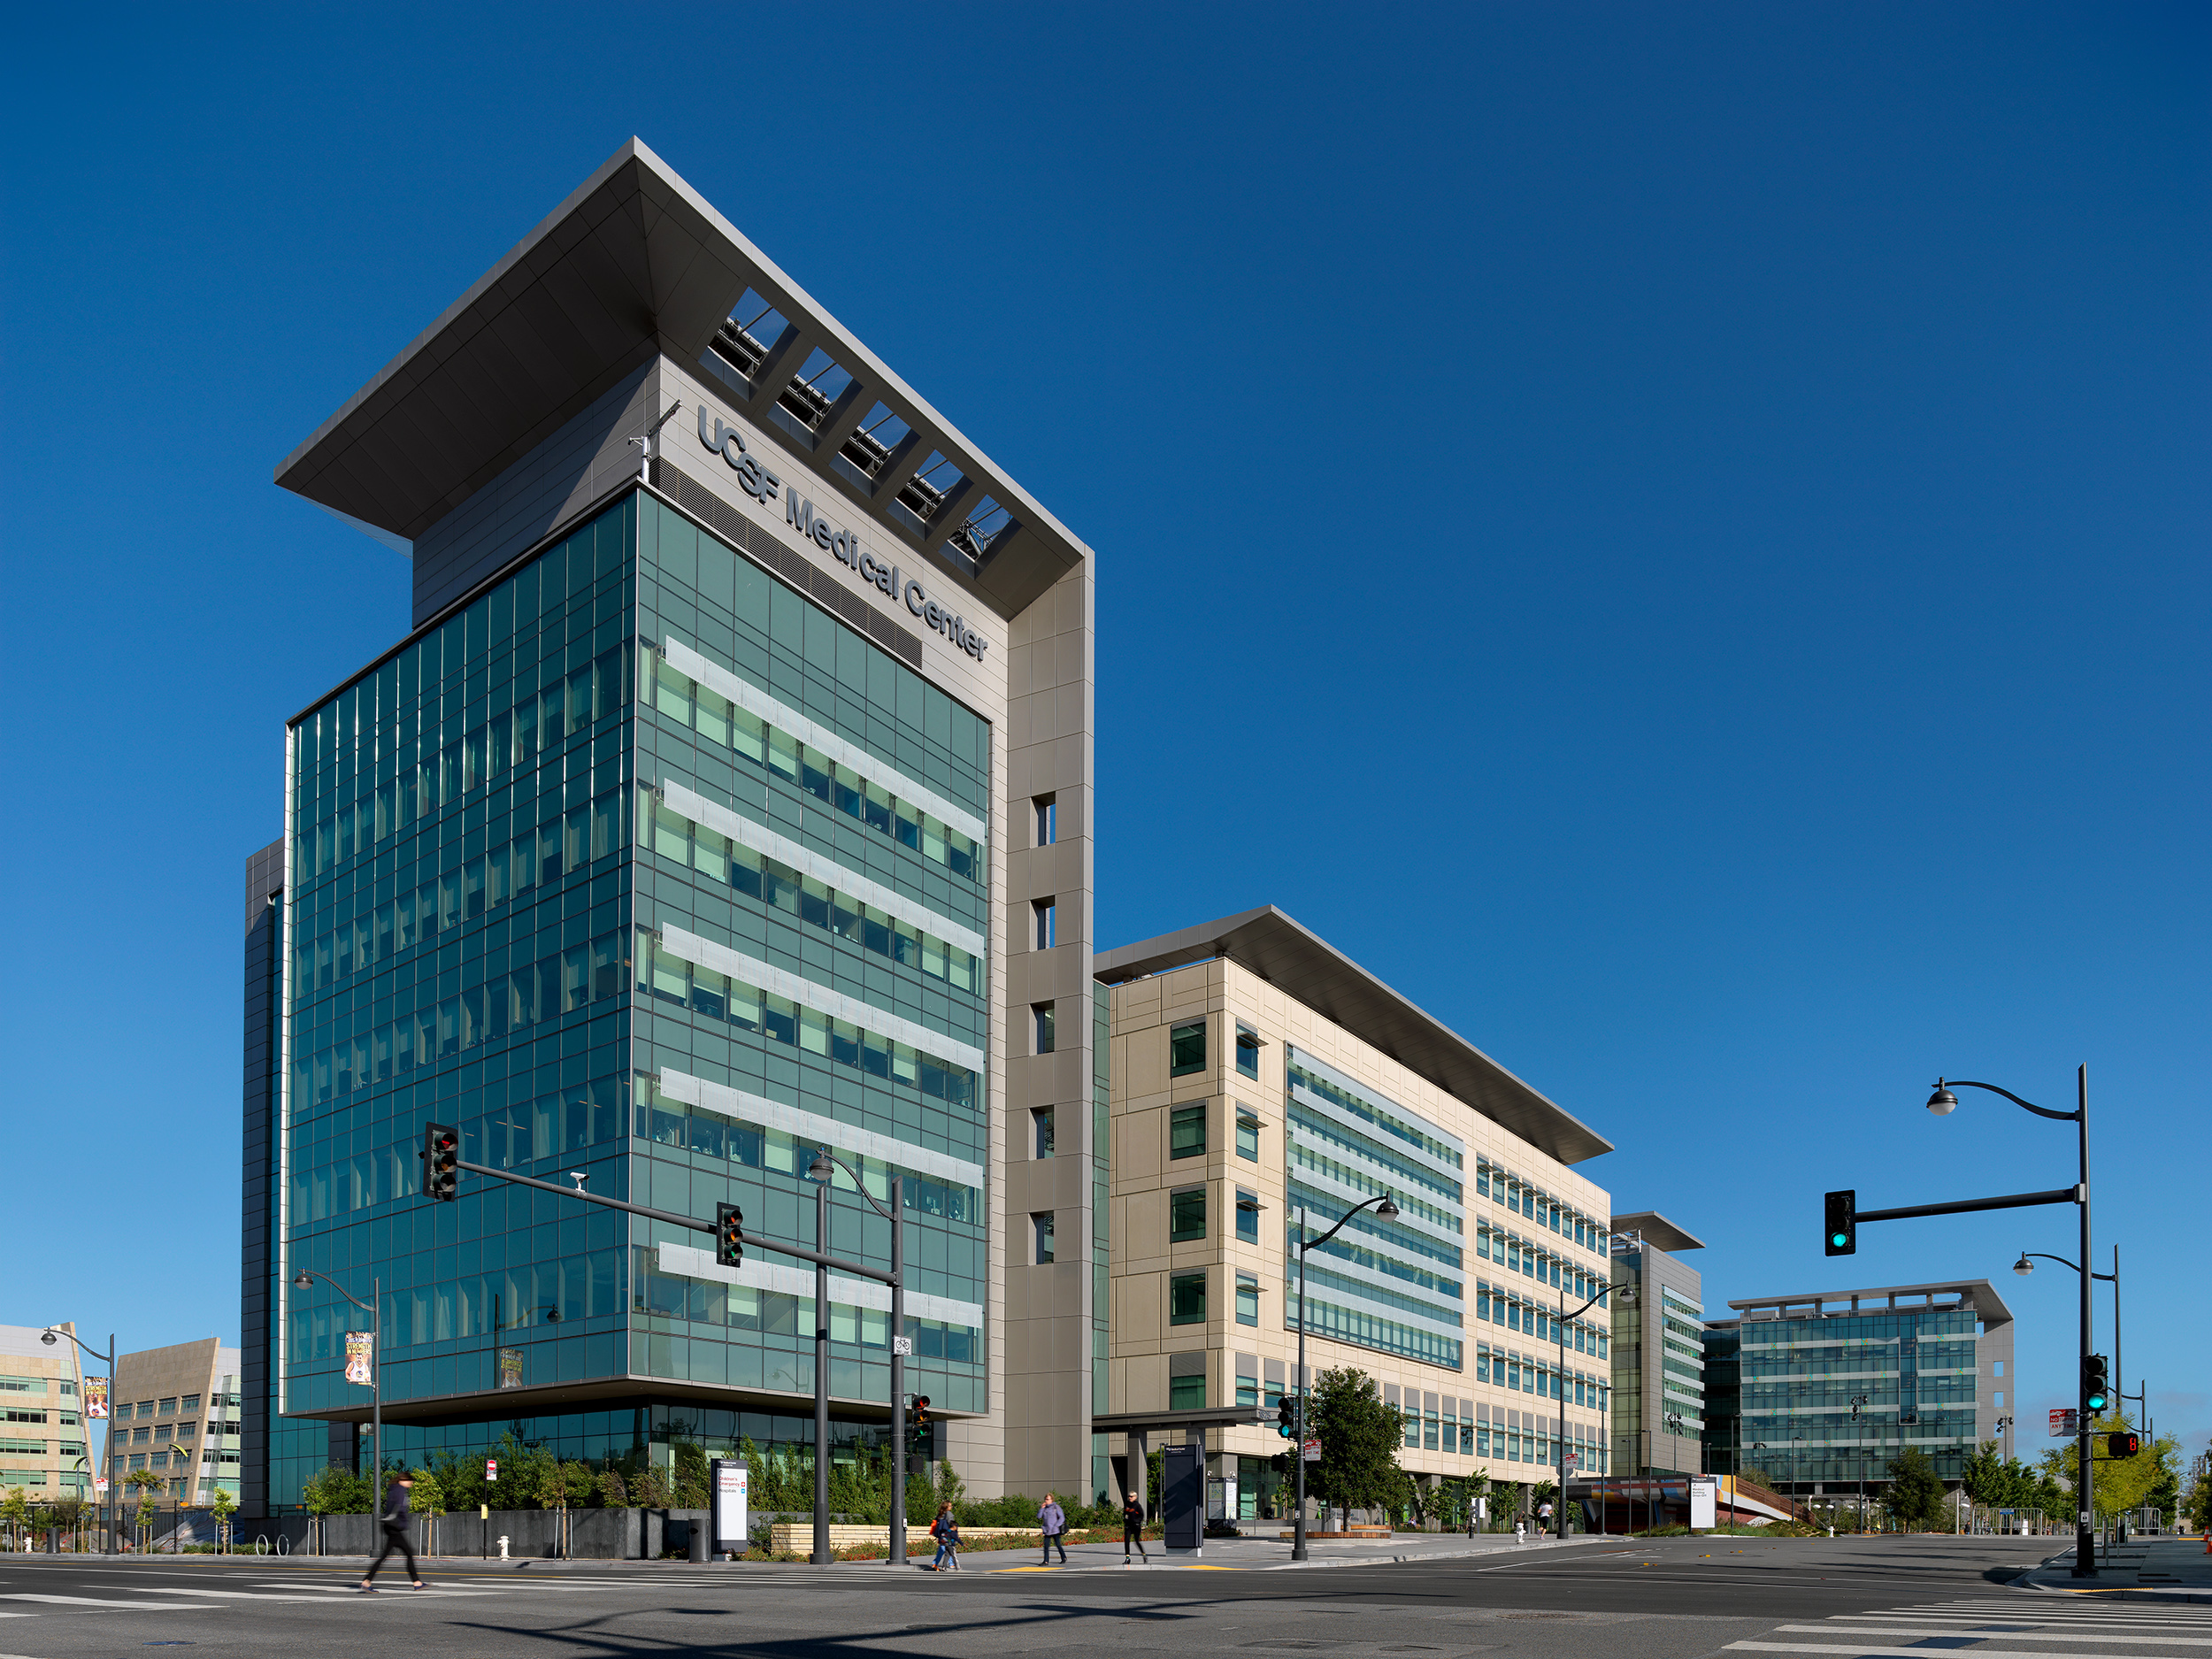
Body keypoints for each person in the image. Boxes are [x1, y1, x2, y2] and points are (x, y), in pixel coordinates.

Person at [360, 1473, 426, 1592]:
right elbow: (399, 1508)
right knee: (409, 1553)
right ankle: (417, 1583)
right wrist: (402, 1522)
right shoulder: (400, 1490)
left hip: (390, 1526)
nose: (411, 1483)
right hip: (394, 1527)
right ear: (402, 1480)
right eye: (410, 1481)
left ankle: (367, 1581)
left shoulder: (393, 1490)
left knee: (385, 1556)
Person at [929, 1502, 961, 1571]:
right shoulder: (949, 1514)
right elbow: (951, 1524)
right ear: (946, 1507)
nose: (951, 1507)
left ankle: (950, 1564)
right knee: (945, 1549)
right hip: (947, 1535)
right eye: (950, 1505)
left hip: (941, 1534)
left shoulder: (940, 1514)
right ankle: (936, 1563)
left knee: (946, 1549)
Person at [1038, 1493, 1068, 1564]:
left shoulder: (1056, 1507)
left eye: (1048, 1499)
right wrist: (1041, 1509)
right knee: (1046, 1546)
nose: (1046, 1501)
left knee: (1058, 1545)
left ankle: (1063, 1557)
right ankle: (1046, 1561)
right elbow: (1039, 1516)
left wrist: (1056, 1525)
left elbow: (1062, 1518)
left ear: (1052, 1500)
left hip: (1055, 1530)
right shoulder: (1044, 1508)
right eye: (1045, 1499)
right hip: (1047, 1530)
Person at [1122, 1492, 1148, 1563]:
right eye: (1129, 1496)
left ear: (1135, 1497)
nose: (1130, 1498)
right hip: (1128, 1526)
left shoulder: (1137, 1505)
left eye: (1131, 1496)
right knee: (1127, 1540)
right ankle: (1127, 1558)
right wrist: (1125, 1520)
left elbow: (1142, 1515)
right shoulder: (1127, 1504)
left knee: (1137, 1541)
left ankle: (1144, 1555)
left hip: (1136, 1526)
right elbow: (1125, 1513)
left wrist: (1137, 1521)